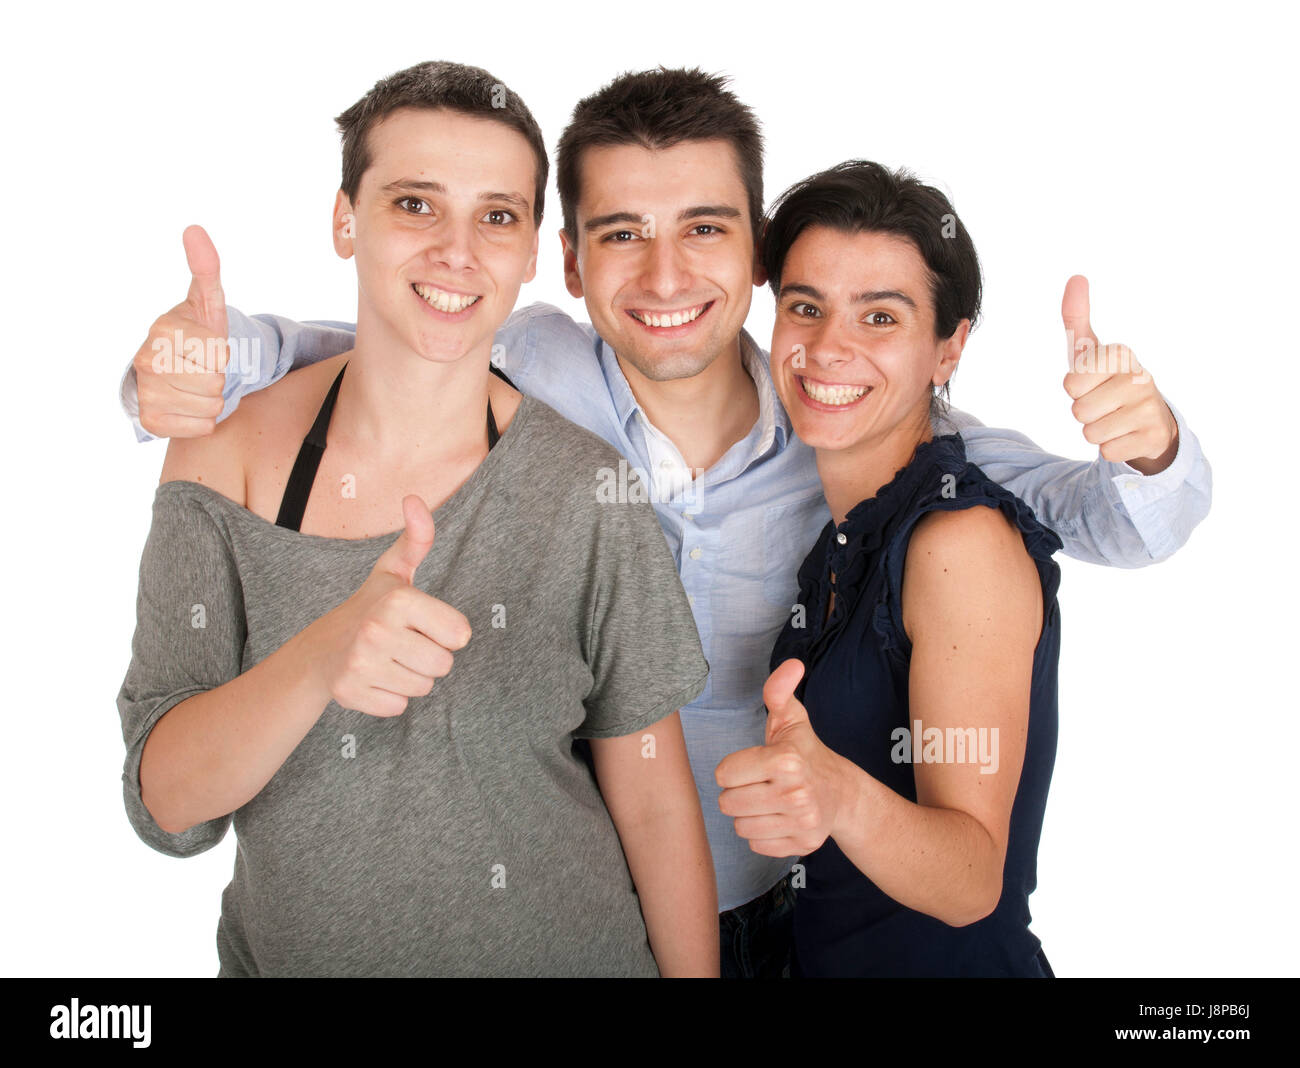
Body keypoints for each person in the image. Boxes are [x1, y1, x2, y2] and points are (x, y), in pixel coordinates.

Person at [118, 69, 1212, 977]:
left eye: (705, 229)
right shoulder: (530, 362)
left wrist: (1149, 444)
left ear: (754, 257)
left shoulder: (849, 413)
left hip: (824, 913)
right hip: (607, 920)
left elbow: (1105, 518)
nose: (667, 274)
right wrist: (184, 367)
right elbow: (382, 337)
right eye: (622, 234)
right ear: (572, 262)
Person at [116, 60, 718, 977]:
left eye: (498, 216)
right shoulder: (222, 461)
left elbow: (655, 807)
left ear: (529, 252)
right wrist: (325, 655)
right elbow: (167, 805)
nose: (459, 251)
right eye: (415, 205)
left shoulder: (589, 491)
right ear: (344, 221)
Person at [719, 160, 1065, 976]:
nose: (828, 347)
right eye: (806, 307)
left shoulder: (956, 543)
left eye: (880, 317)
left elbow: (975, 878)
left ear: (949, 348)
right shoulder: (840, 537)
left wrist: (835, 795)